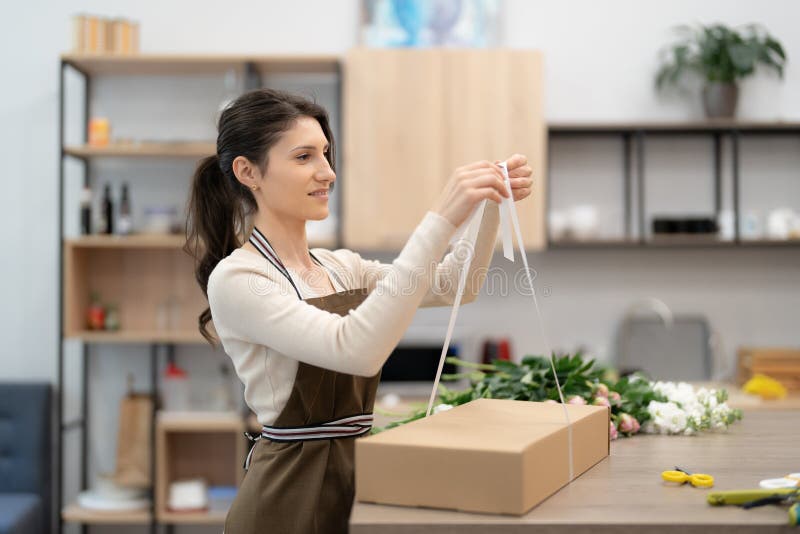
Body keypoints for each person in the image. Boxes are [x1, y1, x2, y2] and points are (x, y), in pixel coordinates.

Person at [185, 88, 533, 533]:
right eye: (304, 157)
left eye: (326, 154)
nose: (327, 172)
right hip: (287, 494)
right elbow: (355, 349)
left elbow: (452, 286)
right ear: (248, 171)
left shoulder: (339, 265)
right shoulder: (239, 280)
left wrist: (487, 205)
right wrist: (441, 217)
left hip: (355, 477)